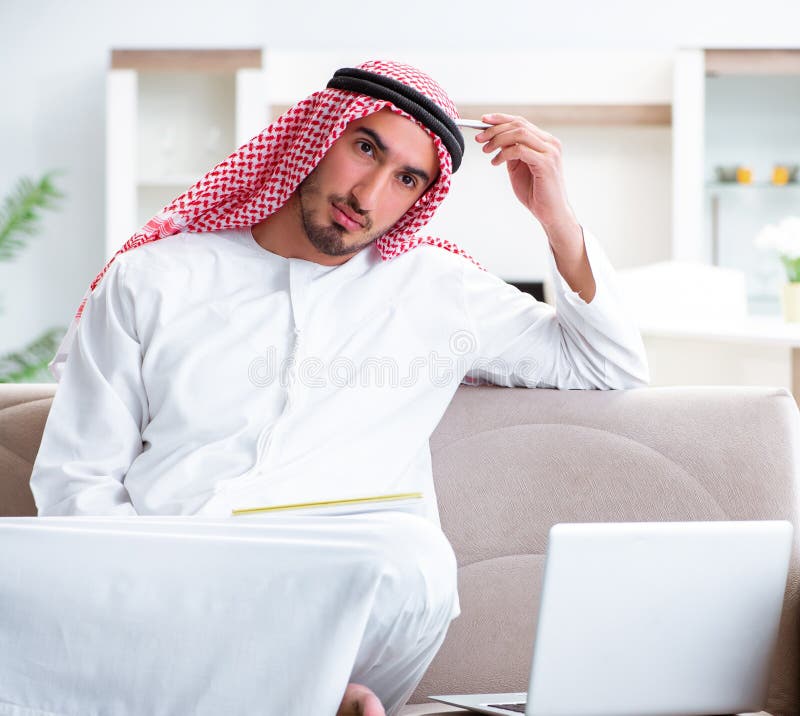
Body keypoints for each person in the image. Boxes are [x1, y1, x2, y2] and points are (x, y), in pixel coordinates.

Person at [24, 60, 649, 715]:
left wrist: (555, 215)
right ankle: (307, 697)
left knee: (413, 558)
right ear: (317, 135)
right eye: (365, 149)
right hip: (168, 574)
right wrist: (143, 593)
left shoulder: (438, 289)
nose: (370, 193)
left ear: (421, 198)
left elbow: (607, 366)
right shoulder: (153, 278)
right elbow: (77, 481)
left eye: (408, 177)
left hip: (342, 583)